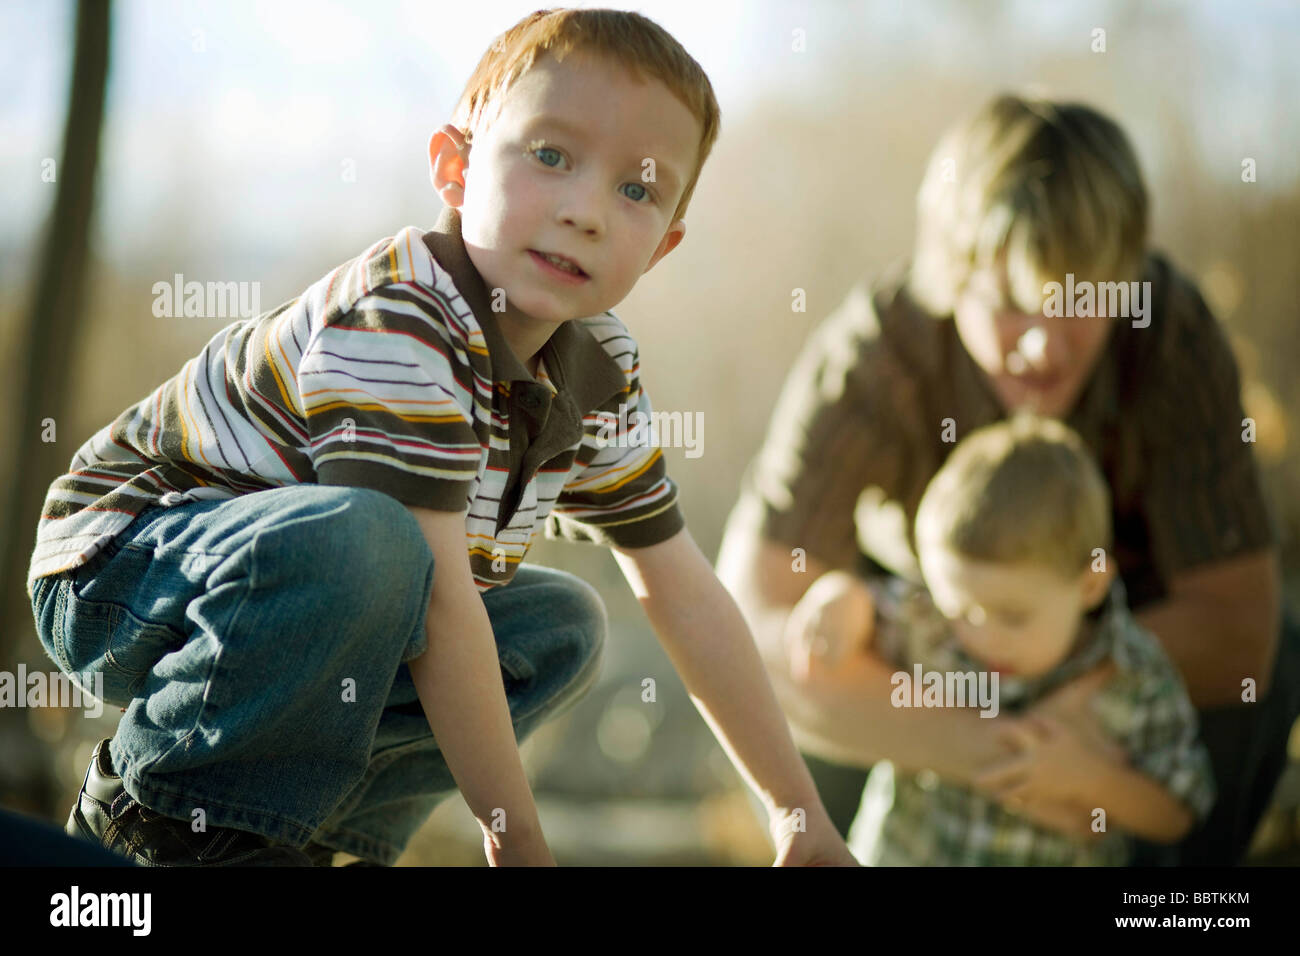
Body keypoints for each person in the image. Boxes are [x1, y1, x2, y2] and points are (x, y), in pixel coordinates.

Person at [27, 8, 856, 868]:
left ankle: (297, 838)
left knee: (556, 624)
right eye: (551, 156)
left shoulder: (598, 368)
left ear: (665, 245)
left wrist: (796, 812)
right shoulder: (403, 316)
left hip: (303, 614)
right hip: (124, 567)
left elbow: (681, 590)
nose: (586, 211)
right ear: (456, 168)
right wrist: (516, 834)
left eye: (637, 189)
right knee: (378, 542)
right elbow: (436, 596)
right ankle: (157, 811)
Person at [716, 93, 1300, 866]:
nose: (1042, 347)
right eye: (1012, 306)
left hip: (1120, 677)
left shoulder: (1171, 336)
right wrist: (989, 744)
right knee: (802, 670)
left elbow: (1236, 625)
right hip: (919, 660)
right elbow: (751, 619)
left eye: (1077, 303)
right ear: (949, 280)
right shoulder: (877, 350)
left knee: (1275, 666)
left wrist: (1083, 706)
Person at [839, 413, 1214, 865]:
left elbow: (1179, 811)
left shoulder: (1133, 675)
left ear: (1090, 586)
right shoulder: (930, 620)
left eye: (1013, 617)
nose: (983, 634)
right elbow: (872, 604)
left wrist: (1091, 779)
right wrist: (839, 599)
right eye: (960, 610)